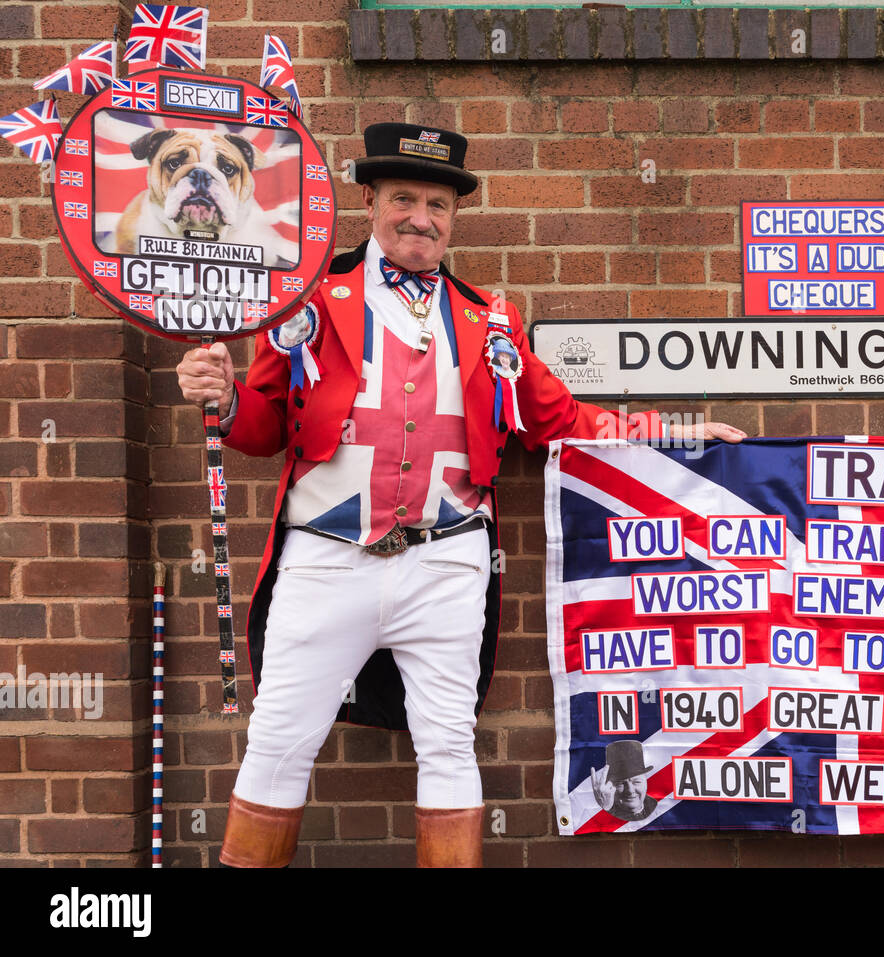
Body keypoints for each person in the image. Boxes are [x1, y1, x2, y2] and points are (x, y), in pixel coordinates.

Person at [176, 123, 745, 867]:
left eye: (438, 204)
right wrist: (218, 401)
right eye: (404, 198)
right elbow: (262, 429)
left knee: (448, 743)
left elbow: (564, 423)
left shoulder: (491, 319)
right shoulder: (309, 304)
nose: (420, 217)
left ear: (454, 216)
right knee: (280, 736)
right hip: (323, 557)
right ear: (371, 202)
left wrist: (677, 432)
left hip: (447, 562)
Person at [590, 740, 658, 822]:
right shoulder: (605, 809)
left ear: (646, 782)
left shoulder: (658, 809)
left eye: (636, 782)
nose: (630, 790)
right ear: (610, 786)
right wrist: (605, 809)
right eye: (620, 783)